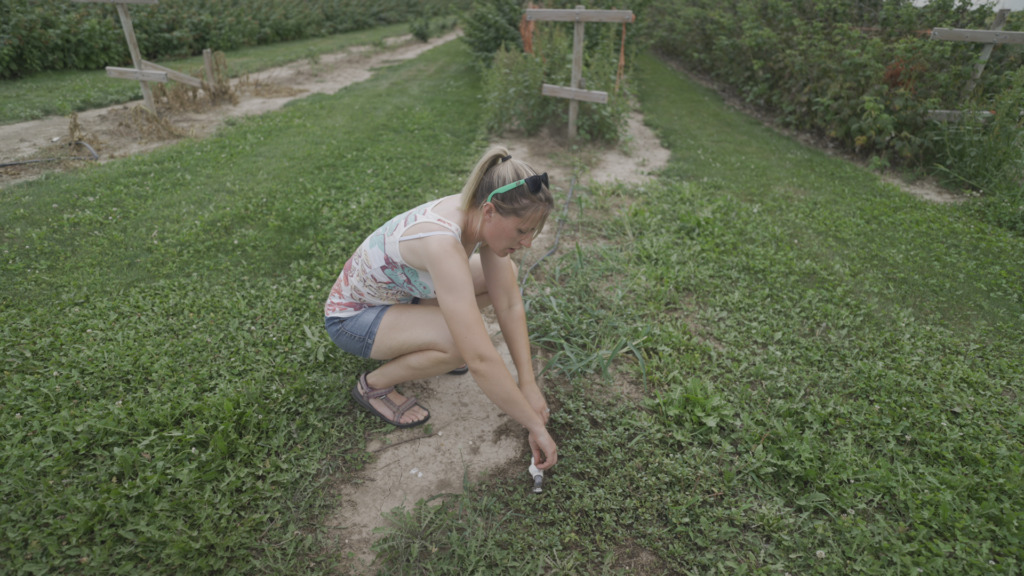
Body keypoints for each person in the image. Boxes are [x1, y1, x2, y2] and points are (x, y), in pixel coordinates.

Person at [324, 147, 558, 470]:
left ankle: (426, 337)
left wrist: (528, 384)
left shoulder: (478, 209)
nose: (529, 242)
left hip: (402, 297)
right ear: (489, 211)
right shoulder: (442, 241)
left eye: (532, 231)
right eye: (522, 230)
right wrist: (533, 423)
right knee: (459, 346)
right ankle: (374, 386)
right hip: (352, 317)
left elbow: (508, 302)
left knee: (506, 278)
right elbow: (478, 358)